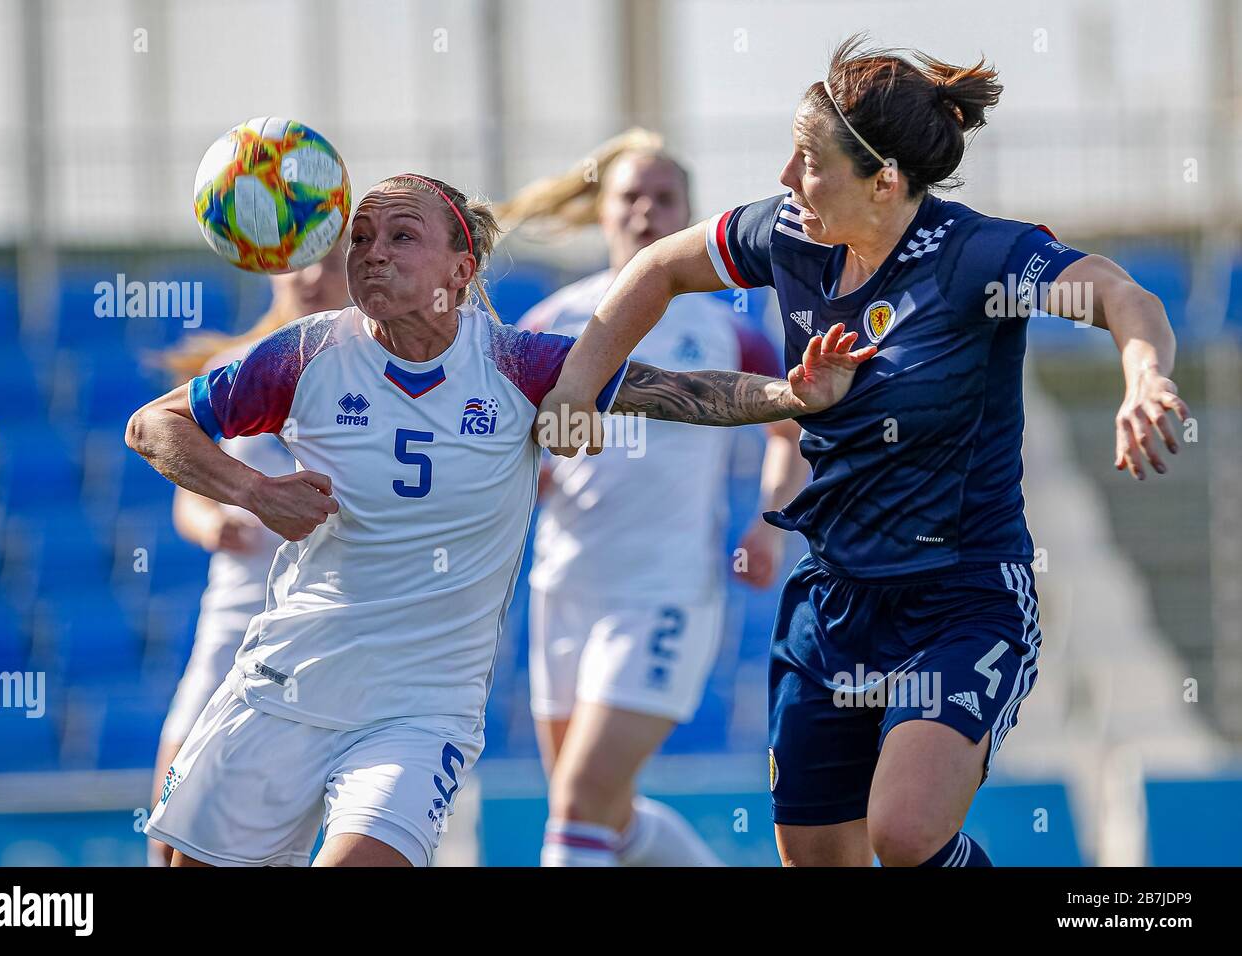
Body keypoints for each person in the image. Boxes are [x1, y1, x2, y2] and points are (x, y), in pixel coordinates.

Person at [535, 37, 1191, 867]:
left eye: (808, 160)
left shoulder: (977, 259)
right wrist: (576, 385)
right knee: (815, 854)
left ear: (883, 181)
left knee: (906, 834)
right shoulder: (790, 236)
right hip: (831, 600)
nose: (783, 178)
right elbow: (661, 267)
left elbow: (1117, 294)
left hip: (959, 597)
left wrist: (1144, 377)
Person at [124, 172, 874, 867]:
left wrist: (793, 395)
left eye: (401, 236)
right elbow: (152, 425)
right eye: (360, 237)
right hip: (282, 683)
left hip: (419, 714)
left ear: (461, 270)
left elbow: (680, 392)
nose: (371, 254)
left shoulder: (522, 365)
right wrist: (254, 489)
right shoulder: (304, 354)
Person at [498, 130, 808, 866]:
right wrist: (529, 470)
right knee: (608, 819)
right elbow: (513, 443)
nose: (646, 210)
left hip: (665, 594)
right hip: (564, 589)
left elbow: (789, 431)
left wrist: (770, 524)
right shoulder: (553, 324)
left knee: (576, 812)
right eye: (629, 196)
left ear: (689, 216)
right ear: (603, 213)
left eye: (664, 197)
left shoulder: (729, 333)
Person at [145, 239, 351, 866]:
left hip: (332, 623)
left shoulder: (373, 375)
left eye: (333, 261)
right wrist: (213, 521)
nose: (313, 276)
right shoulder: (237, 371)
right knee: (170, 828)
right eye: (300, 260)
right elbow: (186, 484)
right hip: (238, 619)